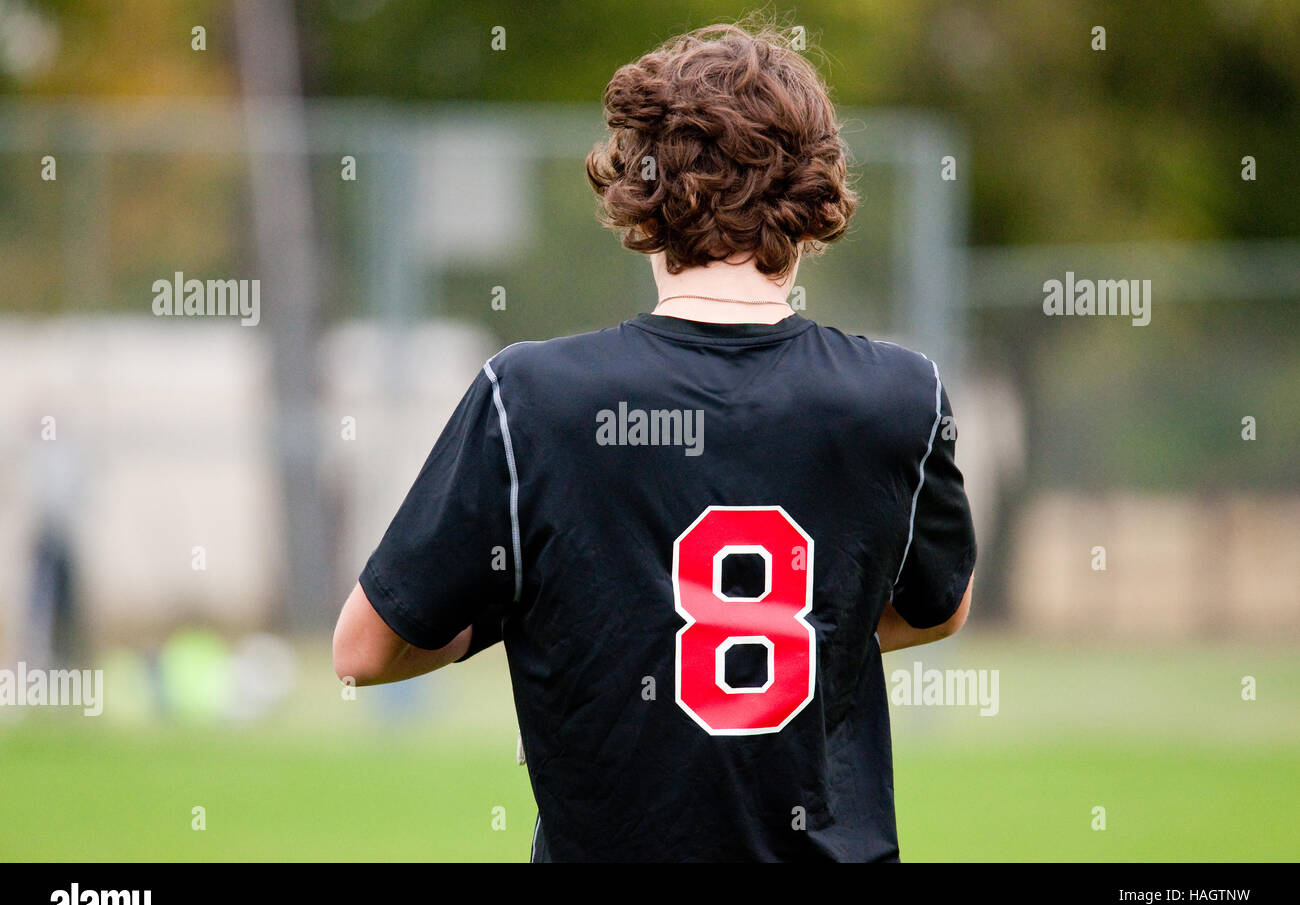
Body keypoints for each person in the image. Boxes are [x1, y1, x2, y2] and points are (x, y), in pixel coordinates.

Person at [333, 21, 976, 862]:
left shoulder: (532, 396)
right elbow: (939, 607)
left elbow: (363, 649)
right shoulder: (902, 397)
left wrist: (556, 632)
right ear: (816, 187)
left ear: (639, 187)